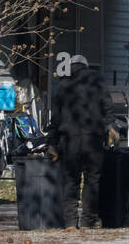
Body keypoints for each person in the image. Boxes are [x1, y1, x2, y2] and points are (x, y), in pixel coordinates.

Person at [47, 56, 114, 228]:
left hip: (70, 140)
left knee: (70, 180)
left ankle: (70, 223)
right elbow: (107, 106)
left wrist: (52, 143)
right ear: (86, 66)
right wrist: (111, 128)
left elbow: (55, 117)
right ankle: (87, 221)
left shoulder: (63, 84)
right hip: (94, 138)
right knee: (92, 180)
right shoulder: (97, 81)